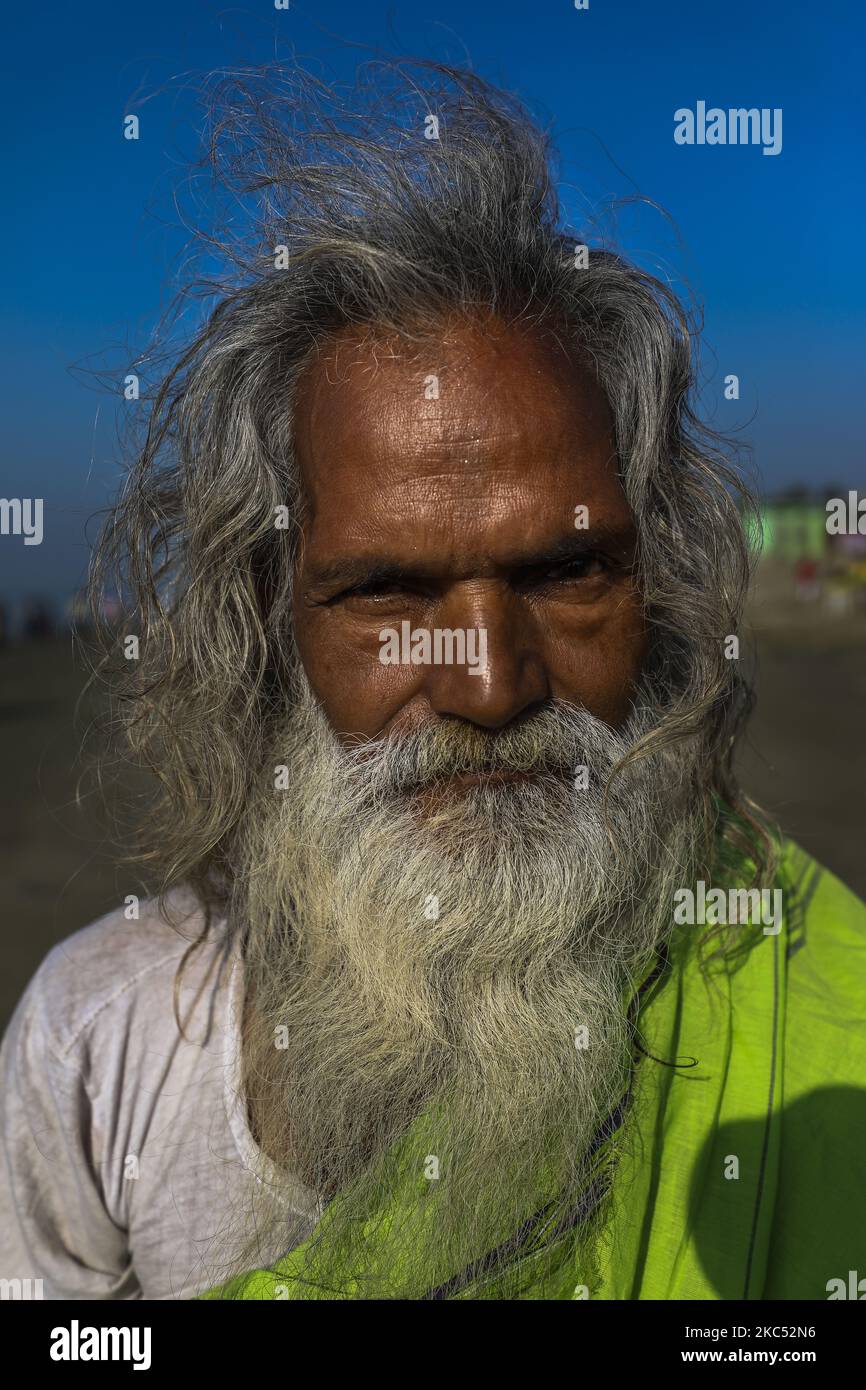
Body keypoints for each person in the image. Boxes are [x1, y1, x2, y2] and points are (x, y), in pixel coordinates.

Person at [1, 60, 864, 1302]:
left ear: (655, 590)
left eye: (567, 571)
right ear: (267, 622)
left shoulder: (810, 1011)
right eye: (386, 593)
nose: (488, 684)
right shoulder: (99, 1044)